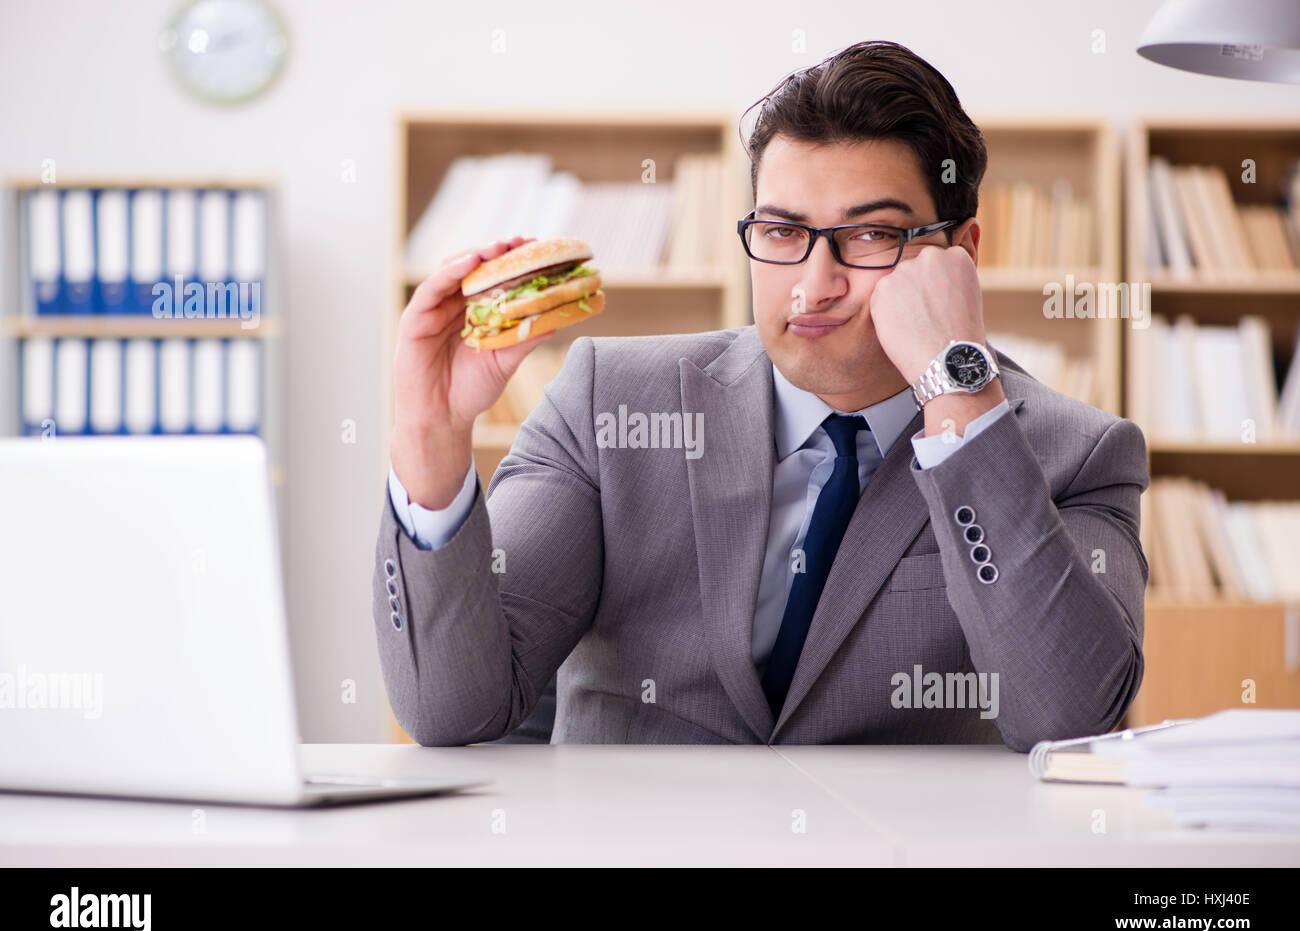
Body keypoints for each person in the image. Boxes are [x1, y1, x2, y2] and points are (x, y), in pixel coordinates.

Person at [374, 40, 1149, 750]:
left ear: (959, 253)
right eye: (782, 233)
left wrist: (956, 391)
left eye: (872, 235)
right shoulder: (607, 403)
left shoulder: (1077, 453)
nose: (816, 286)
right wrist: (431, 437)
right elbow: (454, 709)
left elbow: (1067, 716)